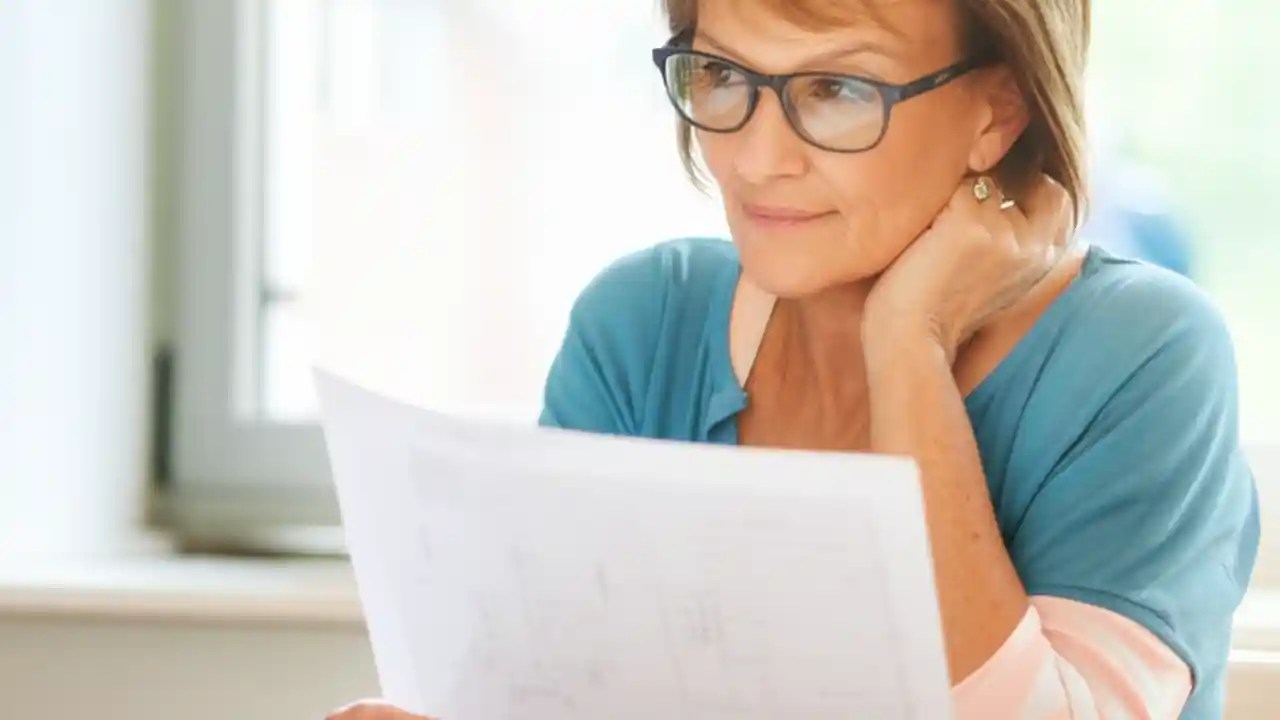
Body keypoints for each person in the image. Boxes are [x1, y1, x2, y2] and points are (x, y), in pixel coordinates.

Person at [330, 0, 1258, 717]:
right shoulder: (640, 329)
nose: (754, 157)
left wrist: (908, 343)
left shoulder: (1144, 358)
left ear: (998, 110)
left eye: (839, 89)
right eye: (722, 74)